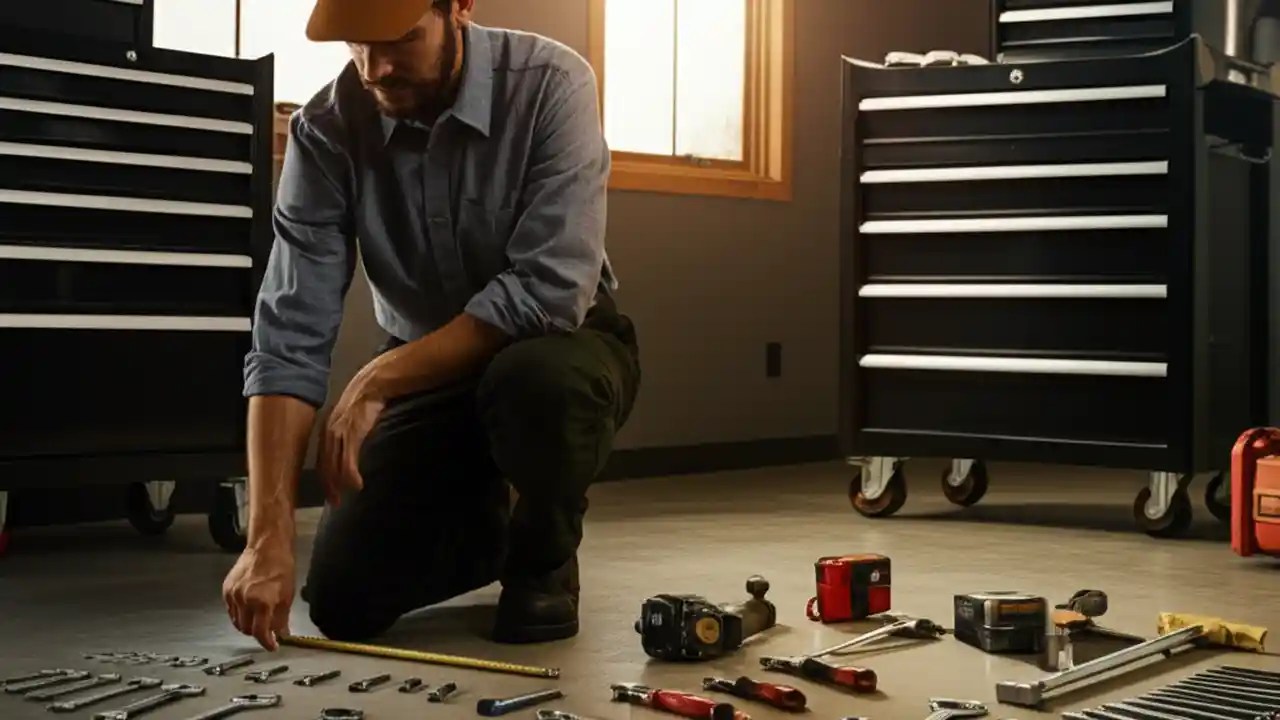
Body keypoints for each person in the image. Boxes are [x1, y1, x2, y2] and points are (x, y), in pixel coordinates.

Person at [220, 0, 640, 650]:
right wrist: (266, 538)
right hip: (422, 364)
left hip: (558, 345)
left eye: (401, 39)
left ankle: (543, 554)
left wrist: (375, 381)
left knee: (539, 382)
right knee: (342, 601)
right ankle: (488, 522)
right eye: (358, 44)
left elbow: (550, 289)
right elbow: (288, 333)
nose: (377, 67)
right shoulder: (325, 130)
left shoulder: (552, 82)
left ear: (460, 8)